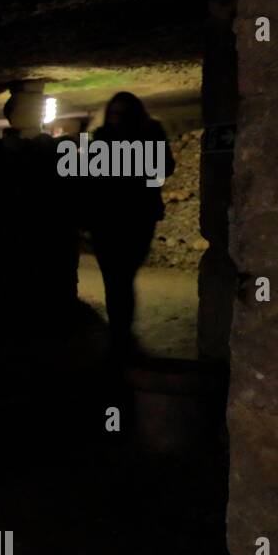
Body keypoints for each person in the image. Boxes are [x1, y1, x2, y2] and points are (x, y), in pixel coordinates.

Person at [83, 92, 174, 360]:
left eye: (123, 114)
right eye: (114, 114)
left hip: (136, 219)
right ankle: (119, 333)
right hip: (106, 220)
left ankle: (120, 333)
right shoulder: (102, 137)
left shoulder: (151, 133)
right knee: (114, 279)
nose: (117, 119)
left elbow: (163, 168)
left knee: (123, 276)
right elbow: (93, 178)